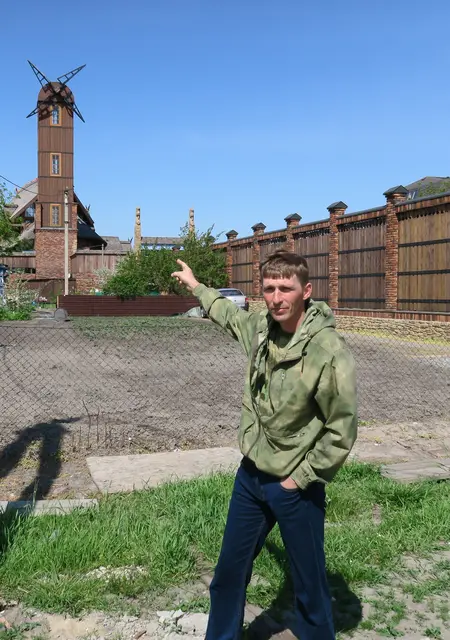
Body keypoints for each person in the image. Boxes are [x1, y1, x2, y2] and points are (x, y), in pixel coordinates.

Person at [171, 250, 358, 640]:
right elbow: (228, 315)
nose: (276, 297)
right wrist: (196, 286)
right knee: (228, 574)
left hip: (295, 486)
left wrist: (297, 480)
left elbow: (341, 429)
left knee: (309, 586)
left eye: (285, 288)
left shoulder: (327, 351)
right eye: (269, 288)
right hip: (251, 477)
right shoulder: (260, 329)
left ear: (306, 290)